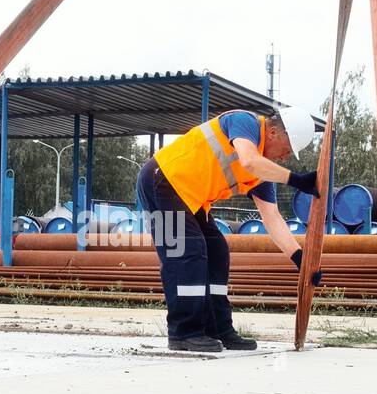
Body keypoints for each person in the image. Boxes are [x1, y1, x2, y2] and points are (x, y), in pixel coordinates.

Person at [136, 106, 321, 352]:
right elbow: (248, 160)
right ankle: (184, 332)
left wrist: (300, 259)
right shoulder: (245, 122)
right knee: (188, 252)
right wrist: (296, 180)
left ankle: (219, 328)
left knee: (217, 250)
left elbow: (272, 218)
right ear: (274, 132)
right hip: (163, 181)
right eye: (287, 150)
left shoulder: (262, 172)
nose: (285, 158)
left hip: (191, 197)